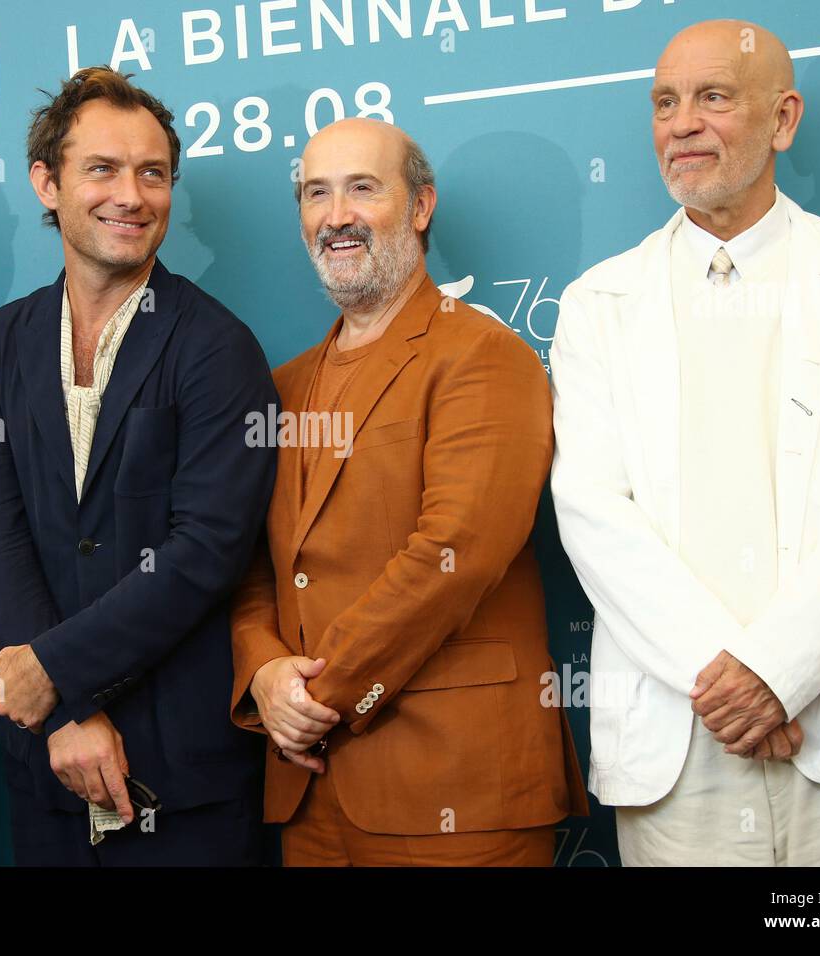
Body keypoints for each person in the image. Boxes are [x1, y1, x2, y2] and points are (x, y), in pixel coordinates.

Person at [549, 19, 820, 865]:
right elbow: (592, 512)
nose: (682, 124)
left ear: (784, 120)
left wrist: (778, 671)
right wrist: (733, 684)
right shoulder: (597, 303)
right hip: (681, 735)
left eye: (713, 97)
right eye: (664, 102)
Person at [230, 117, 588, 866]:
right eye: (316, 194)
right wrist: (263, 672)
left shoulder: (485, 357)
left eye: (364, 188)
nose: (337, 216)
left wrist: (320, 696)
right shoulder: (282, 388)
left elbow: (455, 552)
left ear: (422, 206)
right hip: (308, 793)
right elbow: (249, 561)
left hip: (458, 786)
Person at [0, 67, 277, 866]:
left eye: (153, 173)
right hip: (46, 772)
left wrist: (53, 673)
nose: (131, 194)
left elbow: (205, 552)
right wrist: (64, 713)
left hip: (185, 771)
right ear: (47, 182)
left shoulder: (217, 346)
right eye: (102, 168)